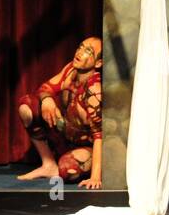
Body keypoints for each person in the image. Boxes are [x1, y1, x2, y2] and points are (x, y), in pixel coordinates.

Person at [16, 37, 105, 188]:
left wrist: (95, 177)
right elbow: (46, 88)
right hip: (64, 136)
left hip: (86, 146)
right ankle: (48, 164)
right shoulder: (70, 70)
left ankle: (63, 166)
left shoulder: (94, 91)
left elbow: (99, 135)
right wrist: (47, 100)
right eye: (81, 47)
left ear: (98, 63)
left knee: (66, 169)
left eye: (88, 51)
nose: (80, 52)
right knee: (28, 106)